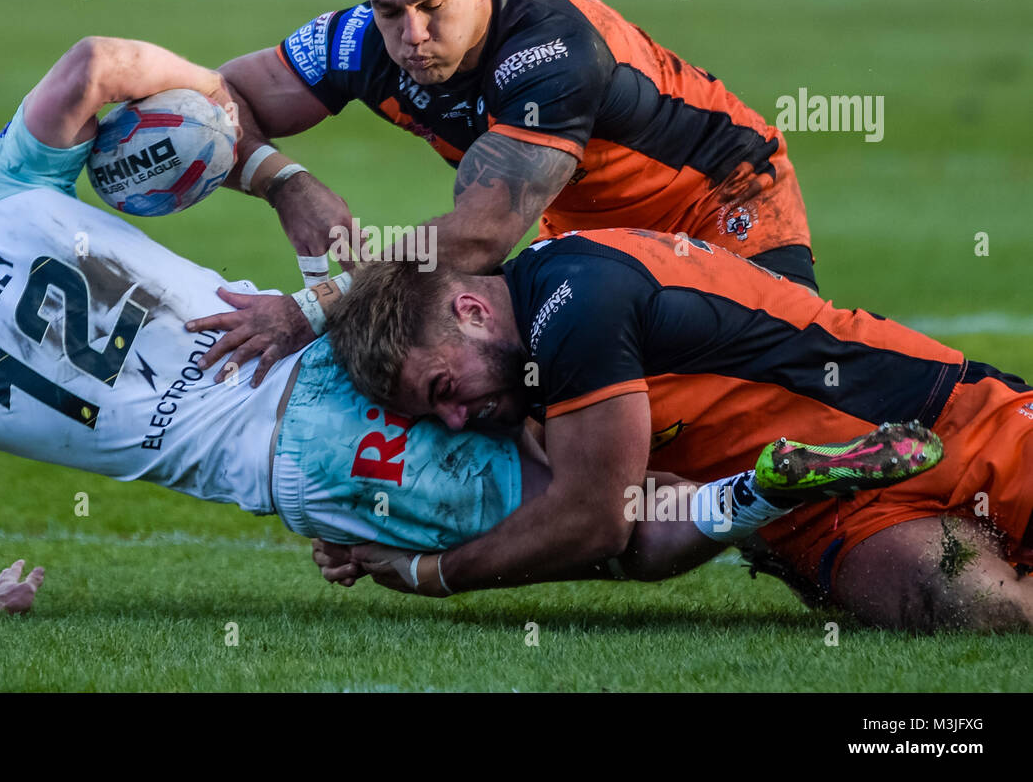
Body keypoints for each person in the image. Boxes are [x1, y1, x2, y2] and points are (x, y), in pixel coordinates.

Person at [0, 36, 869, 614]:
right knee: (556, 392)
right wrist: (265, 164)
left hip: (311, 460)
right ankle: (785, 444)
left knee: (595, 528)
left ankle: (766, 499)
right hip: (335, 341)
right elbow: (91, 65)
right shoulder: (4, 193)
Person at [188, 0, 816, 384]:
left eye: (433, 6)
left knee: (778, 393)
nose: (412, 35)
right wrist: (284, 182)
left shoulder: (552, 49)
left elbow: (480, 236)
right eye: (391, 11)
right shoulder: (361, 39)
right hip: (586, 235)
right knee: (509, 397)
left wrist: (312, 308)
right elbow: (215, 103)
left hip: (721, 198)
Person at [324, 230, 1033, 632]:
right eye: (434, 415)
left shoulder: (574, 306)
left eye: (445, 392)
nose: (455, 419)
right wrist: (373, 527)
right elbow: (599, 523)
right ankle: (778, 487)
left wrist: (430, 573)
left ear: (474, 310)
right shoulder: (530, 363)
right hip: (815, 516)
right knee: (979, 613)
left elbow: (595, 523)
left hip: (941, 416)